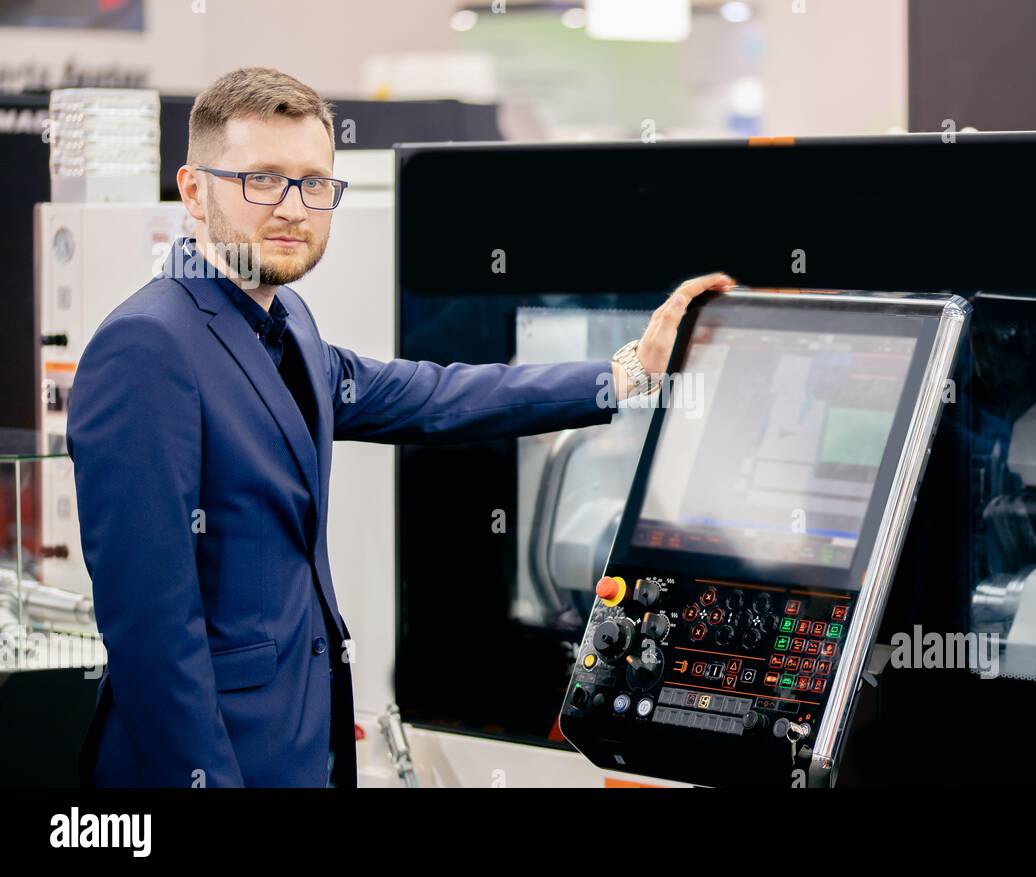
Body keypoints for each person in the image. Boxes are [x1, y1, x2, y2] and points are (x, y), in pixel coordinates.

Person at [67, 66, 734, 788]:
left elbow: (434, 395)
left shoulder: (284, 321)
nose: (293, 206)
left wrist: (631, 369)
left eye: (314, 182)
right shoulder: (148, 345)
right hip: (215, 763)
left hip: (299, 750)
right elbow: (152, 634)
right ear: (193, 191)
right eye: (262, 179)